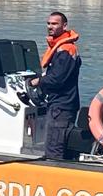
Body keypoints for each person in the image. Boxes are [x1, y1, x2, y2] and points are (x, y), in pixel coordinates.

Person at [31, 10, 82, 161]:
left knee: (54, 149)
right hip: (62, 104)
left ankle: (54, 175)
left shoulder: (66, 49)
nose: (50, 27)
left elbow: (57, 79)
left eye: (54, 24)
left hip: (61, 106)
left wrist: (38, 81)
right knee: (61, 146)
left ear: (64, 26)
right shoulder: (61, 47)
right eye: (48, 23)